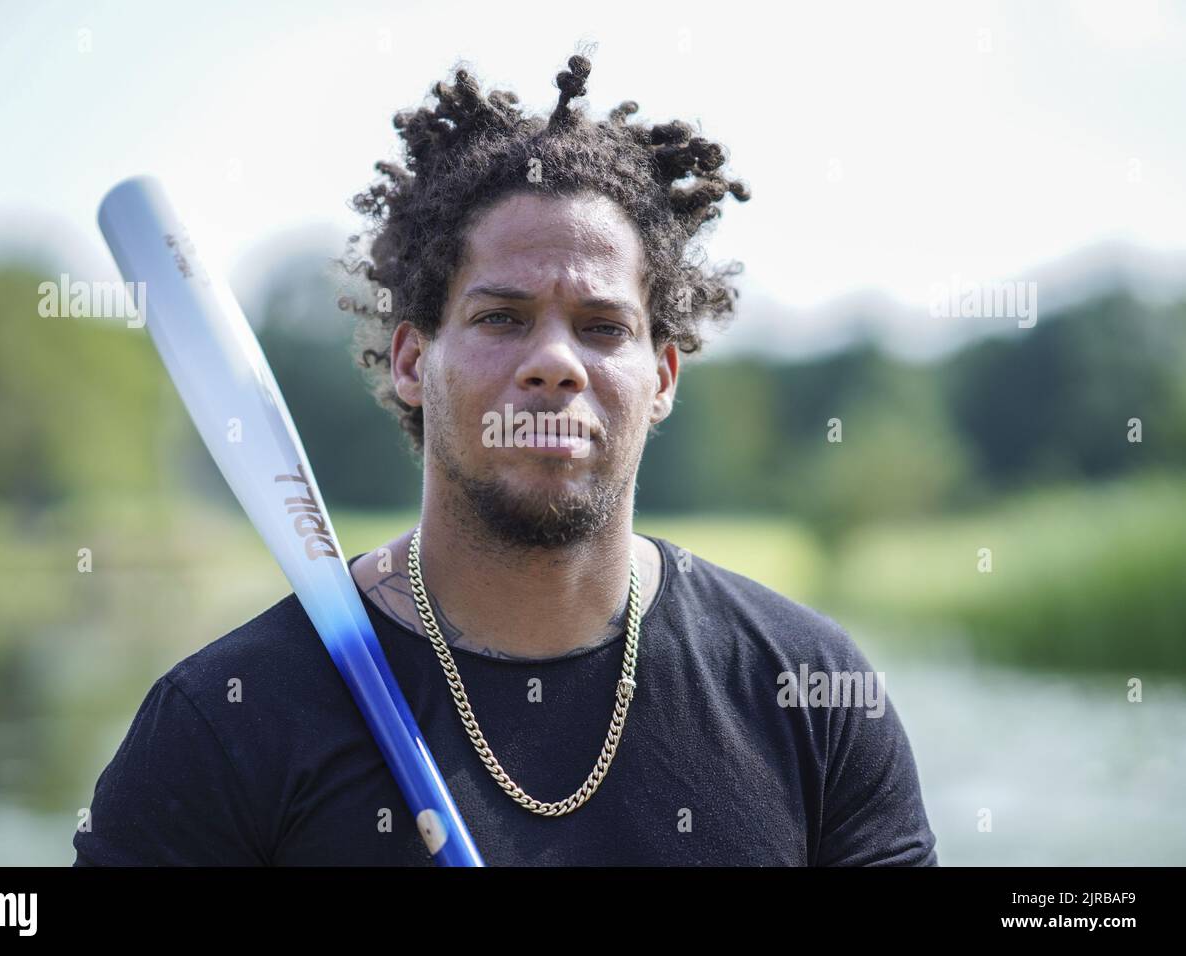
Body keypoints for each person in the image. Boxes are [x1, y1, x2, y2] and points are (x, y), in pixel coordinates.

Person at [74, 50, 938, 866]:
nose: (555, 361)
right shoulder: (227, 718)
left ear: (662, 377)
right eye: (501, 317)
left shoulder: (811, 695)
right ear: (414, 362)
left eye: (603, 328)